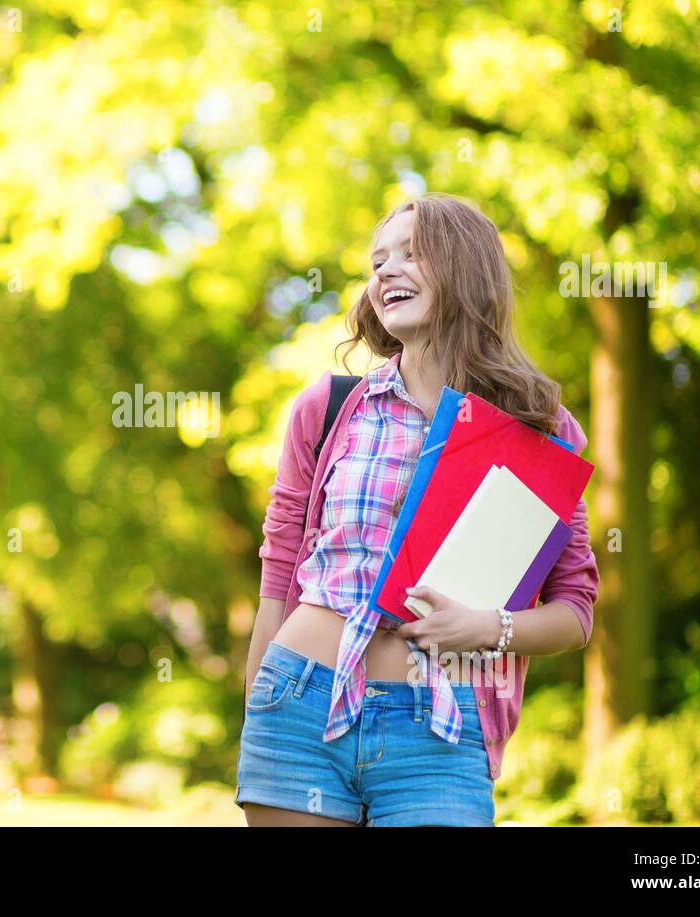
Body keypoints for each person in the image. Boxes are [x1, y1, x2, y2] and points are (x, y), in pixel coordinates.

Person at [236, 193, 600, 827]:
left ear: (466, 269)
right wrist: (257, 714)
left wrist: (489, 628)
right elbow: (278, 574)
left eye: (412, 253)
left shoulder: (538, 428)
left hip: (439, 730)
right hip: (298, 703)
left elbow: (575, 611)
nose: (385, 271)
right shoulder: (328, 408)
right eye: (378, 261)